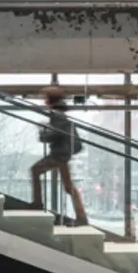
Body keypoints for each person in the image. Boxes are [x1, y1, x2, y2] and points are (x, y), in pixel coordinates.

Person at [29, 87, 88, 226]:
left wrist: (43, 131)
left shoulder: (57, 114)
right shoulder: (59, 113)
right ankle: (82, 217)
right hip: (63, 154)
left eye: (45, 97)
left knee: (35, 170)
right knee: (68, 187)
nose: (44, 100)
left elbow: (56, 134)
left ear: (49, 100)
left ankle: (38, 203)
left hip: (59, 155)